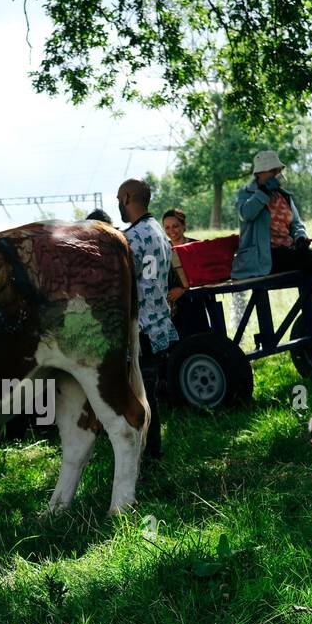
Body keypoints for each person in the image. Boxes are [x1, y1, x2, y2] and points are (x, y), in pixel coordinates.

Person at [229, 150, 312, 333]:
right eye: (273, 171)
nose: (277, 175)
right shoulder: (245, 194)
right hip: (265, 258)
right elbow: (246, 213)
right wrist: (263, 193)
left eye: (278, 171)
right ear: (259, 174)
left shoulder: (283, 195)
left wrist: (300, 237)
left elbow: (296, 223)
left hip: (288, 252)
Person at [117, 178, 178, 462]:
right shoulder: (158, 231)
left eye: (119, 198)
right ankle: (153, 451)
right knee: (150, 395)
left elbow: (122, 285)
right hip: (160, 325)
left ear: (127, 197)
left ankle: (147, 455)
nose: (118, 203)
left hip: (140, 329)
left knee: (140, 397)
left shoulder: (131, 238)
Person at [162, 208, 197, 306]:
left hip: (195, 302)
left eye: (175, 226)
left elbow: (204, 277)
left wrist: (182, 290)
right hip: (171, 307)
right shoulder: (162, 250)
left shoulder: (196, 246)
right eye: (167, 228)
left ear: (184, 224)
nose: (171, 231)